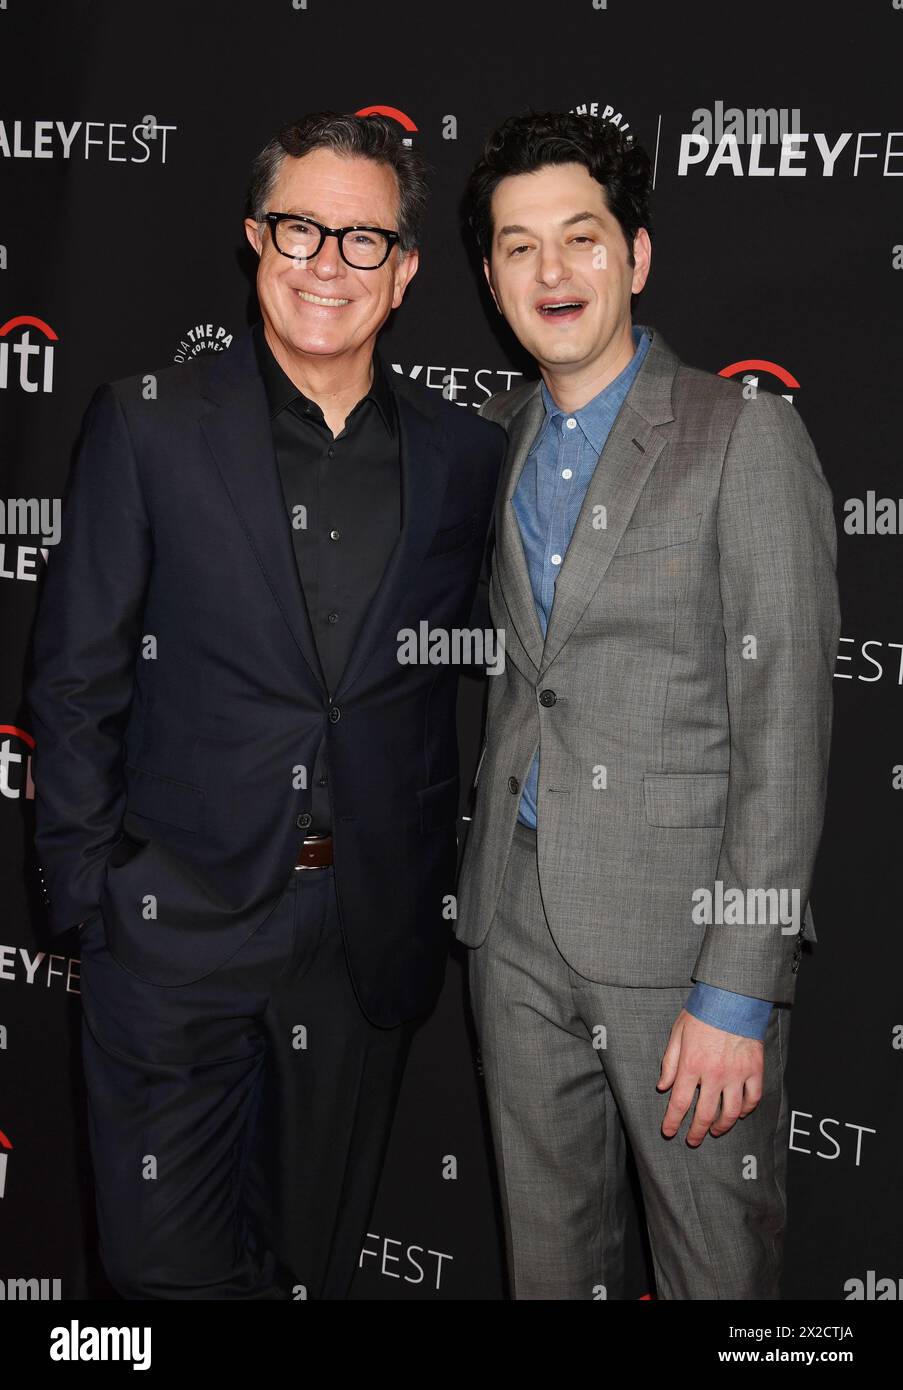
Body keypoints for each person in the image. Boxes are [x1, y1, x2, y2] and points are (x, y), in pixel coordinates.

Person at [26, 111, 505, 1300]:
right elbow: (75, 674)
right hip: (178, 925)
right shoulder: (146, 423)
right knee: (157, 1269)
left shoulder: (463, 457)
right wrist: (98, 895)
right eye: (299, 227)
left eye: (360, 240)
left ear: (403, 274)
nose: (324, 264)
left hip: (362, 933)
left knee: (310, 1269)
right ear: (255, 238)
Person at [456, 110, 840, 1299]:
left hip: (685, 956)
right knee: (548, 1272)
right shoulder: (495, 439)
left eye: (580, 237)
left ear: (638, 255)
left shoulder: (744, 436)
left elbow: (787, 733)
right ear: (489, 277)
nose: (552, 271)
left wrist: (736, 990)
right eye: (519, 247)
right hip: (513, 928)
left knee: (718, 1280)